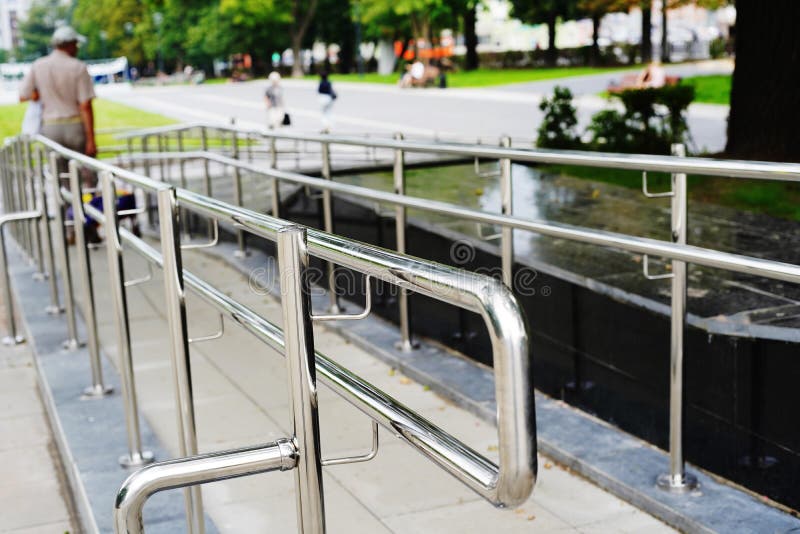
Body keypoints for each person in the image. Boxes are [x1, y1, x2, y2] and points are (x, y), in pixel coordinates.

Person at [19, 26, 96, 159]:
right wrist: (91, 140)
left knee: (58, 173)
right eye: (76, 44)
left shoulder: (38, 65)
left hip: (50, 128)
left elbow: (23, 96)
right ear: (70, 44)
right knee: (83, 170)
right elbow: (85, 105)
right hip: (74, 126)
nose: (77, 48)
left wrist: (37, 94)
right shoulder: (78, 66)